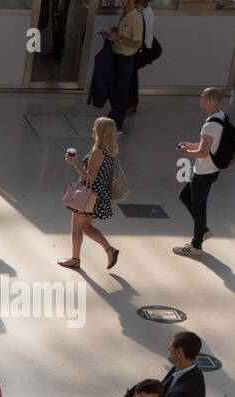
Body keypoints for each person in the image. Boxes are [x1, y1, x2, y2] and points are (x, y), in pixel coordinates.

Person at [57, 117, 119, 271]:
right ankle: (109, 250)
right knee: (87, 227)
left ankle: (75, 259)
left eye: (95, 127)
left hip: (87, 196)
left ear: (100, 132)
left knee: (76, 229)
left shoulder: (98, 152)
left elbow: (89, 177)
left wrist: (75, 163)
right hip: (96, 195)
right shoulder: (109, 151)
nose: (92, 129)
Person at [174, 87, 226, 258]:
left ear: (211, 100)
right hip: (209, 170)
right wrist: (191, 145)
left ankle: (196, 245)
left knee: (199, 207)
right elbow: (208, 145)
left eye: (203, 97)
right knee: (184, 196)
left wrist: (185, 153)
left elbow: (203, 153)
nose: (200, 99)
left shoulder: (210, 125)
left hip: (204, 172)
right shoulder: (220, 118)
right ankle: (202, 230)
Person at [104, 0, 142, 133]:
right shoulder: (126, 14)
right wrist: (114, 32)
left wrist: (118, 39)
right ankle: (113, 116)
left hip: (126, 58)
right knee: (114, 88)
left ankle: (118, 124)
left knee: (121, 91)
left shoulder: (136, 18)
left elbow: (137, 43)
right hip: (118, 55)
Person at [160, 330, 206, 397]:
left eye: (171, 347)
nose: (169, 349)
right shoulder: (178, 368)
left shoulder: (189, 392)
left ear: (179, 352)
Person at [127, 0, 155, 114]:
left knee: (130, 75)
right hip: (141, 47)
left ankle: (131, 103)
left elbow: (143, 34)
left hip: (140, 48)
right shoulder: (144, 12)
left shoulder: (145, 13)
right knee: (131, 75)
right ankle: (131, 103)